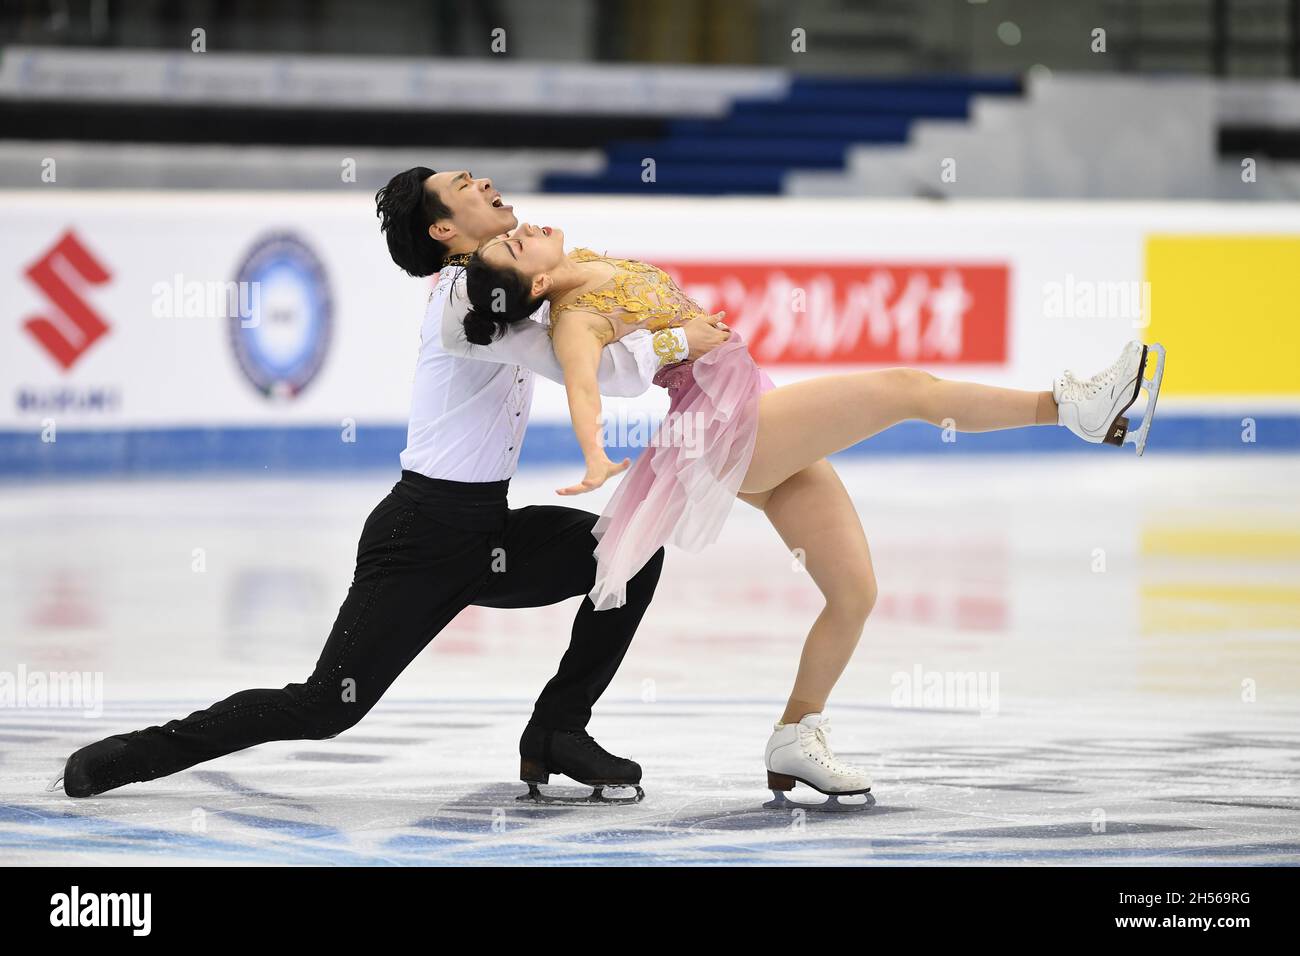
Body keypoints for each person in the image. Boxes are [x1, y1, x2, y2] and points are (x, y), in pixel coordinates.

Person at [52, 169, 730, 806]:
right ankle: (124, 757)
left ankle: (557, 730)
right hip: (423, 534)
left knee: (629, 553)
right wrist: (675, 345)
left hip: (485, 528)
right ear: (443, 231)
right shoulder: (469, 297)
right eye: (465, 186)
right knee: (325, 707)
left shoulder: (509, 278)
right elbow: (588, 370)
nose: (486, 183)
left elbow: (590, 332)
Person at [462, 223, 1166, 809]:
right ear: (540, 287)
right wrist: (594, 457)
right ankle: (1072, 406)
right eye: (517, 248)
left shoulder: (582, 260)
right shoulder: (575, 318)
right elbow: (584, 388)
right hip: (731, 424)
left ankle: (796, 737)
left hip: (750, 408)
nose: (523, 229)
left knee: (854, 592)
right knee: (906, 388)